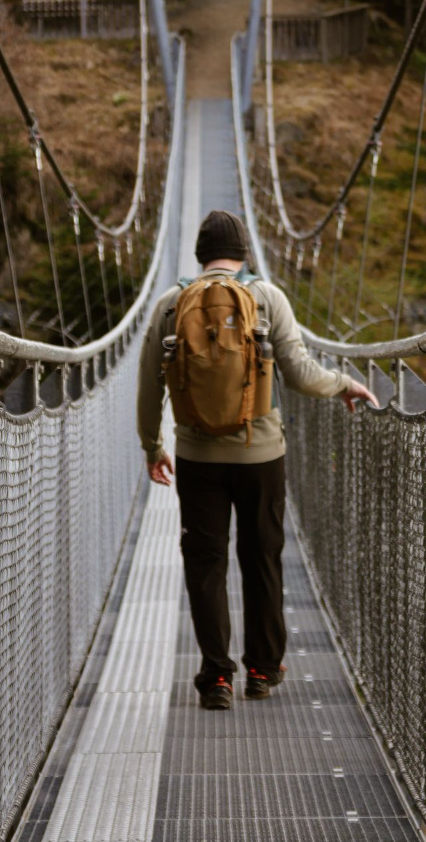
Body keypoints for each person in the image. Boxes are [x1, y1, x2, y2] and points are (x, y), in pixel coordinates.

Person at [136, 209, 377, 710]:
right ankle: (263, 669)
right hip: (262, 454)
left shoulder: (169, 303)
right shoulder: (267, 298)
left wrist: (151, 446)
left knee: (205, 562)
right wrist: (343, 384)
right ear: (243, 255)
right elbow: (300, 373)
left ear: (200, 257)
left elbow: (147, 387)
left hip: (197, 453)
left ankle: (217, 677)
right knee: (261, 557)